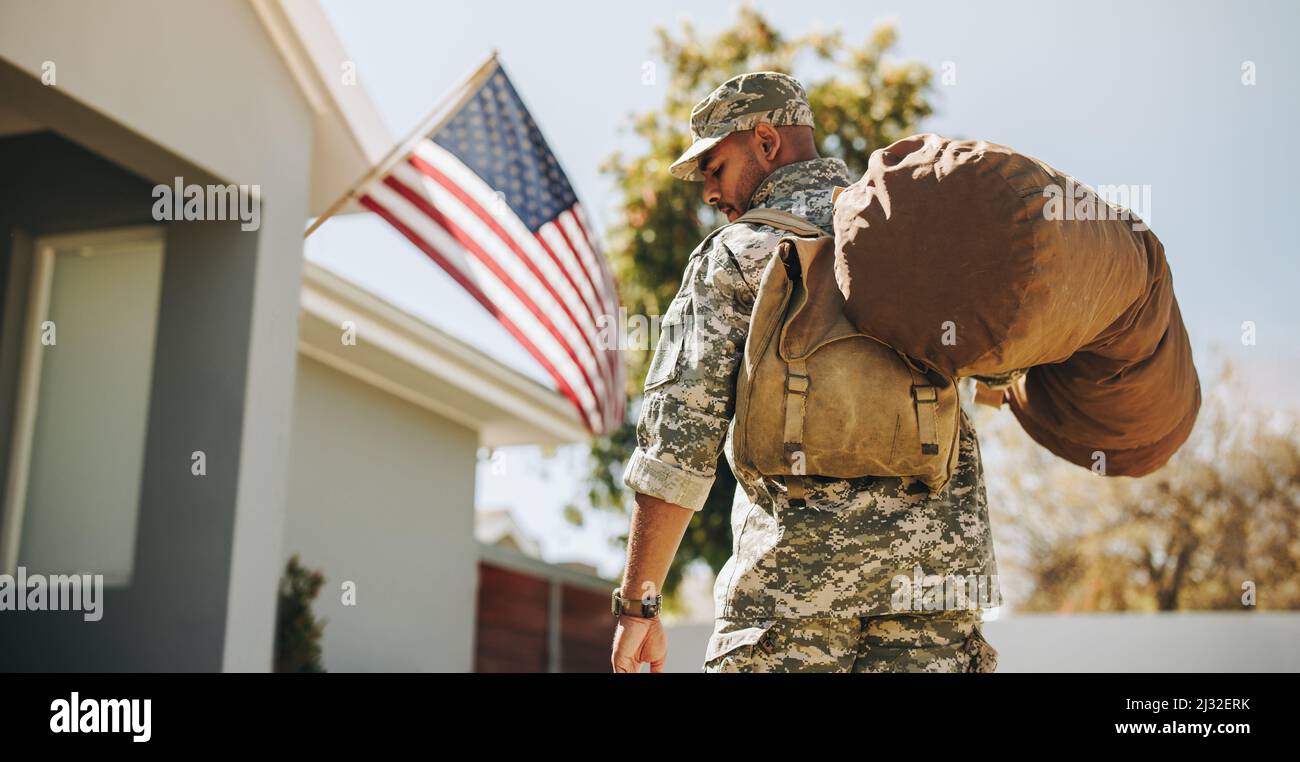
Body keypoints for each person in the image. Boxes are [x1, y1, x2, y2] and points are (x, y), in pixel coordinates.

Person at [609, 71, 1002, 673]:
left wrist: (639, 605)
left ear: (766, 142)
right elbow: (1007, 364)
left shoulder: (736, 254)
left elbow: (677, 444)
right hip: (938, 596)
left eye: (715, 168)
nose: (710, 194)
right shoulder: (920, 238)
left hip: (789, 599)